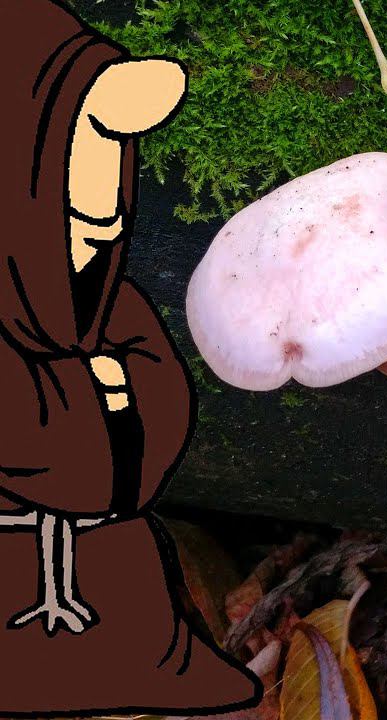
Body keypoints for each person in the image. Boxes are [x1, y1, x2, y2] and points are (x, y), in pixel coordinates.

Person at [0, 0, 261, 714]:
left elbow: (161, 394)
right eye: (77, 159)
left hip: (110, 567)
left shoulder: (107, 296)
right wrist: (99, 395)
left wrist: (106, 393)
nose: (104, 212)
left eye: (113, 160)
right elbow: (41, 446)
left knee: (128, 633)